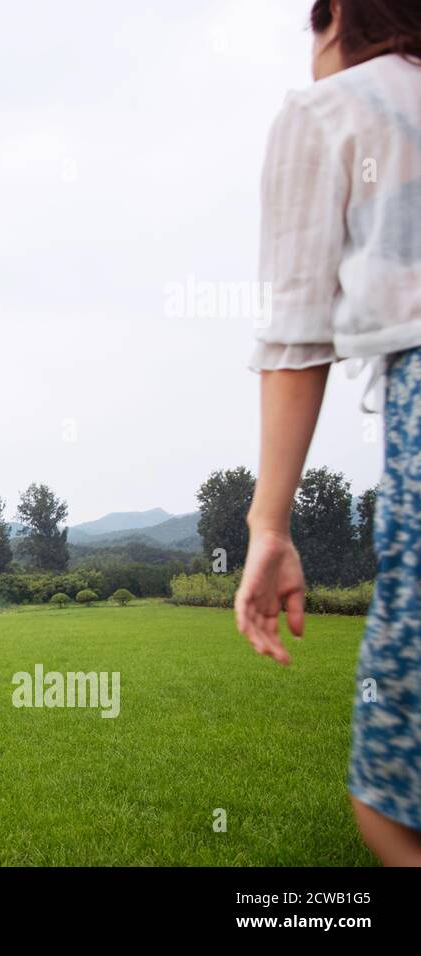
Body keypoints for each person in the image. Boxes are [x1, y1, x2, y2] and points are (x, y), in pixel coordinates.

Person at [235, 0, 421, 865]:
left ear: (338, 14)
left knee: (389, 792)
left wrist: (269, 526)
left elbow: (296, 335)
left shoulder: (333, 108)